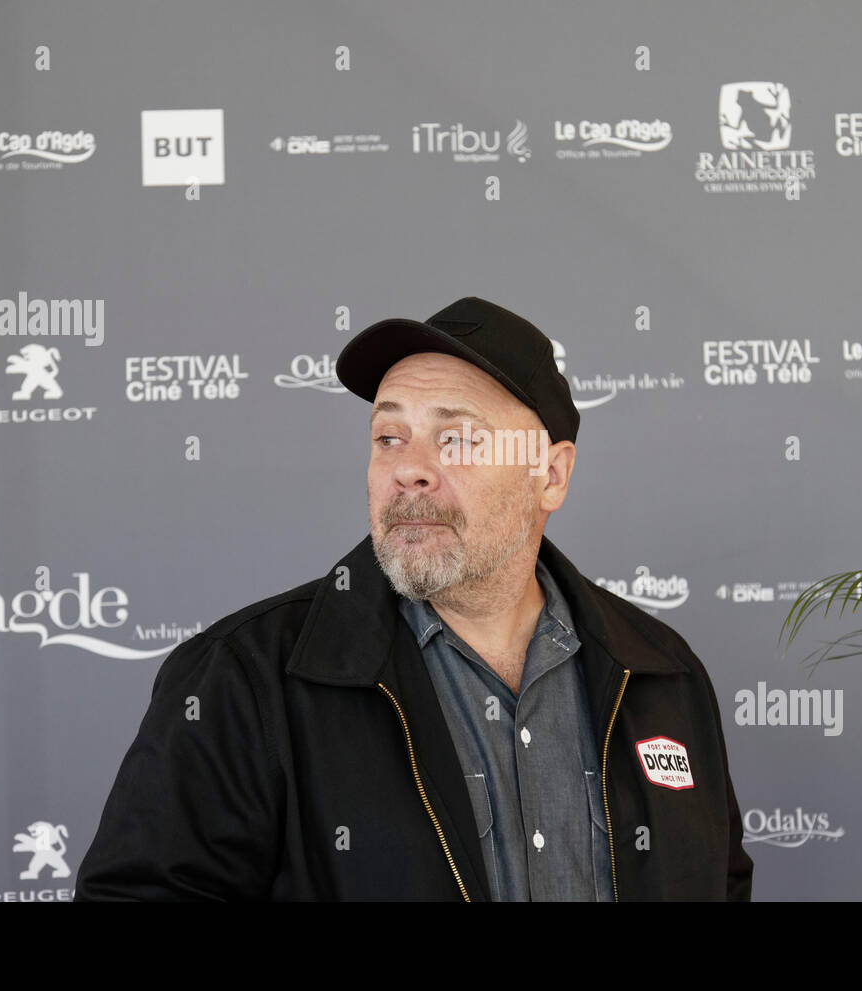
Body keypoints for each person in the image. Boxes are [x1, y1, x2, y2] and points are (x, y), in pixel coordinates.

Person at [74, 296, 752, 901]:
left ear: (549, 474)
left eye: (455, 437)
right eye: (389, 436)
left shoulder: (665, 675)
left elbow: (721, 882)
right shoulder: (241, 680)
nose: (409, 468)